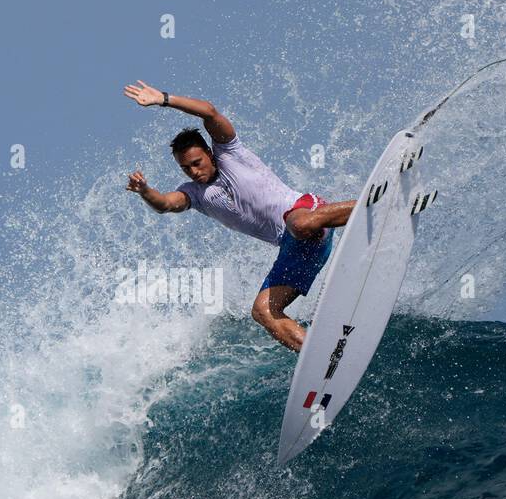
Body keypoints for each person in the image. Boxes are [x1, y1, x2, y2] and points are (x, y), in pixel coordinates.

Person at [123, 80, 354, 351]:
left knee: (299, 223)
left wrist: (163, 98)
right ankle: (322, 355)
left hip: (306, 213)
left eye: (197, 163)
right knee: (263, 311)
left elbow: (209, 112)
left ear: (209, 153)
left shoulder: (230, 152)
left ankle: (377, 202)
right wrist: (145, 190)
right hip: (296, 247)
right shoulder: (195, 194)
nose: (194, 172)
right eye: (186, 168)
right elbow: (164, 204)